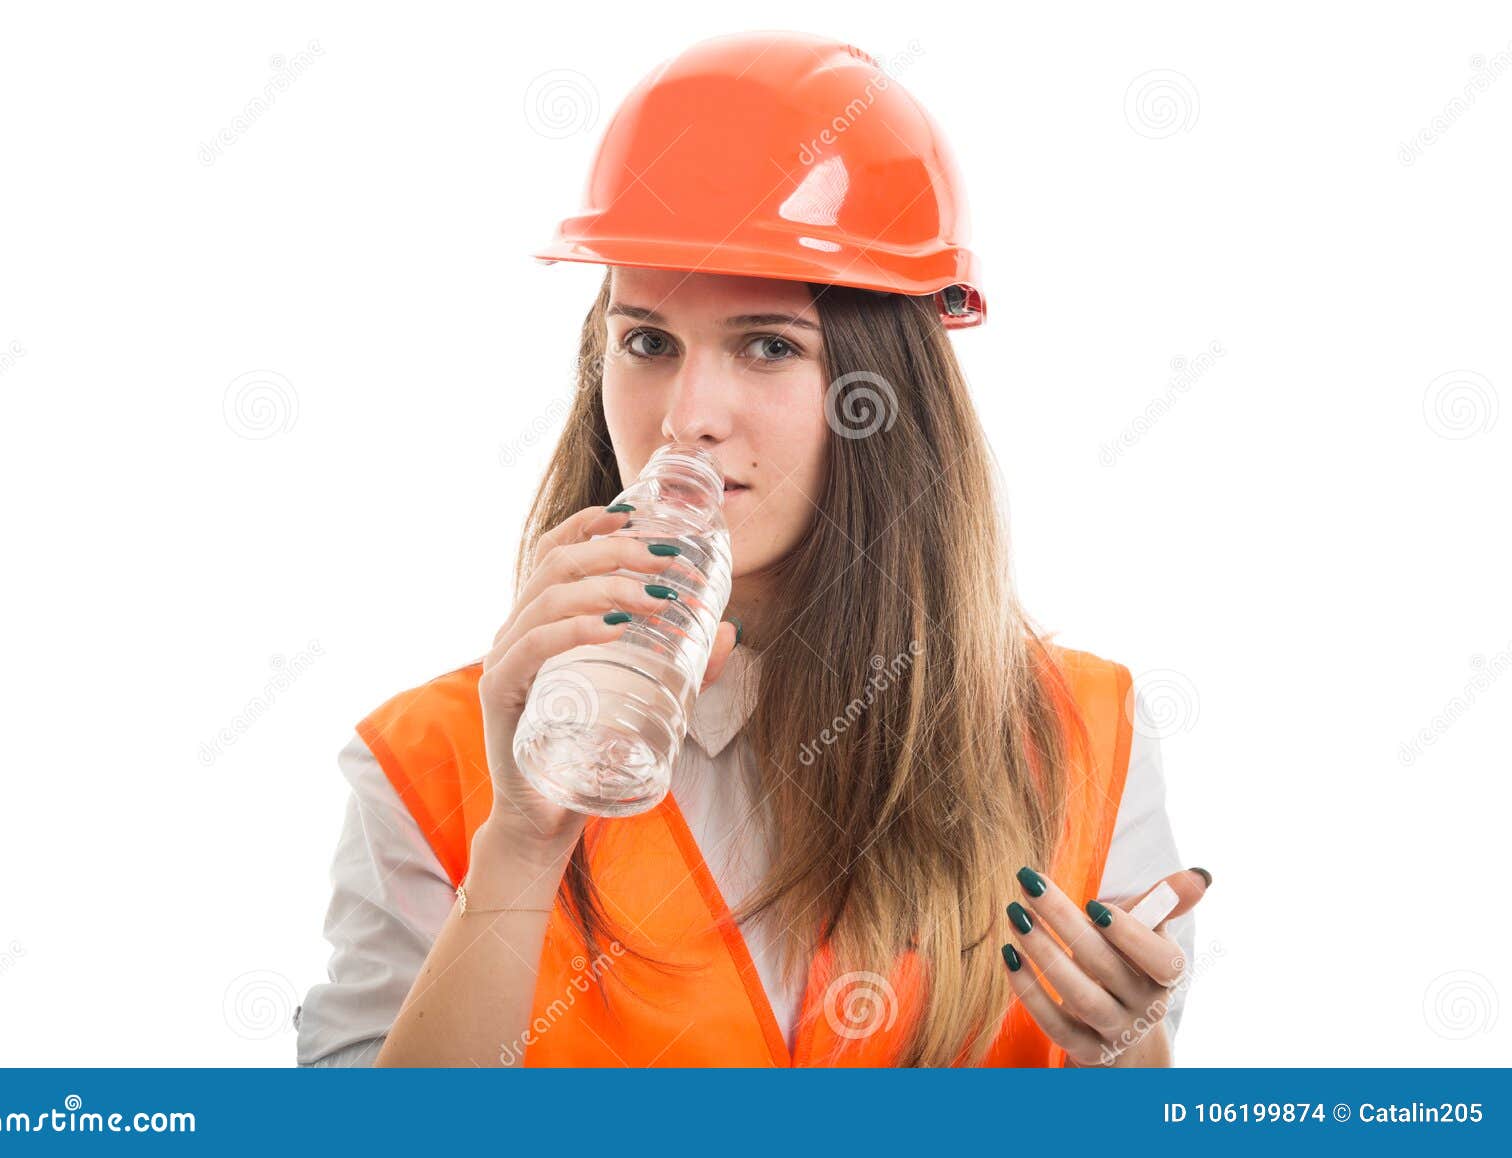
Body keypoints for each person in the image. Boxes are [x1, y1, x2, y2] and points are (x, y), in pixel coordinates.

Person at [296, 30, 1210, 1068]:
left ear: (886, 396)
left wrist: (1128, 1063)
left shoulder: (1082, 737)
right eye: (648, 341)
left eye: (768, 345)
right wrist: (516, 849)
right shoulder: (432, 762)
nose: (688, 417)